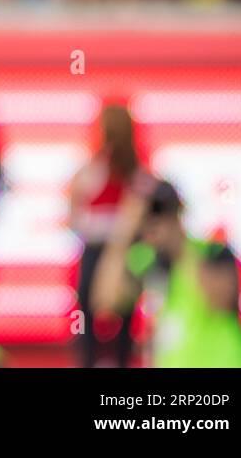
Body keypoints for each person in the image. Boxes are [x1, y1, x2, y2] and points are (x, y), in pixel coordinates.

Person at [91, 177, 241, 368]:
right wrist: (124, 233)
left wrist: (179, 246)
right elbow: (106, 301)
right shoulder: (146, 259)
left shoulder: (211, 251)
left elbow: (220, 300)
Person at [68, 103, 146, 367]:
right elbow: (74, 214)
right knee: (91, 320)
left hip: (122, 251)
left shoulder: (133, 173)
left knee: (121, 319)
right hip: (100, 249)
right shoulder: (95, 170)